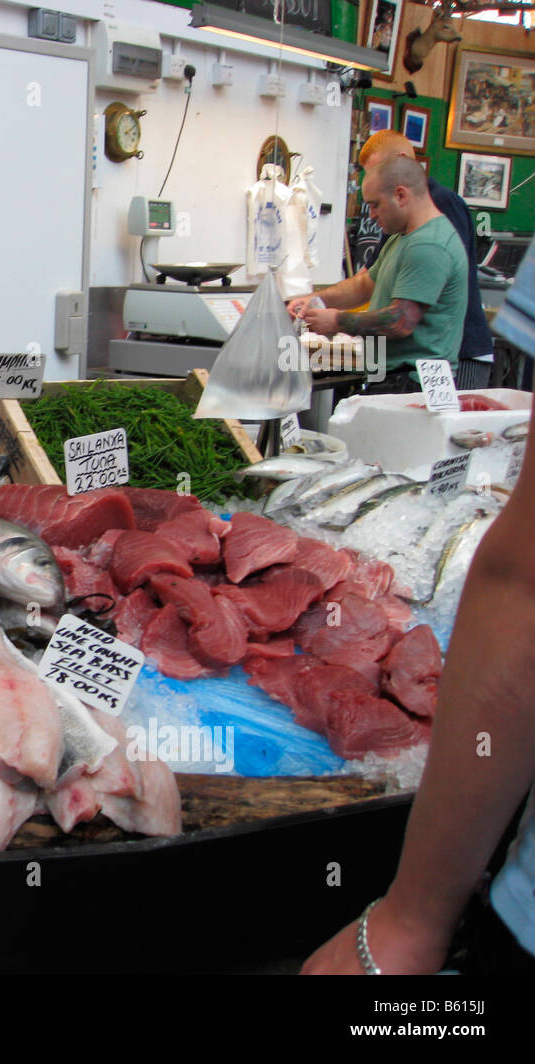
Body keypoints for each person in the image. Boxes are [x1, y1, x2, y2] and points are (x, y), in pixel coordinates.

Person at [304, 245, 535, 974]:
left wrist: (410, 918)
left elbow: (524, 586)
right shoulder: (400, 238)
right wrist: (330, 301)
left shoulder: (430, 240)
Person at [286, 155, 467, 393]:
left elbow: (400, 321)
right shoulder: (402, 237)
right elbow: (364, 285)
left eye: (375, 204)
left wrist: (338, 321)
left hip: (412, 384)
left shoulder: (428, 246)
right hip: (393, 377)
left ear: (401, 196)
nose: (370, 215)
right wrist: (317, 299)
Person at [359, 130, 493, 389]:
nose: (373, 181)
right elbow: (368, 278)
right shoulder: (403, 225)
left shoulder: (438, 208)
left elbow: (426, 288)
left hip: (454, 353)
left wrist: (338, 320)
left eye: (379, 171)